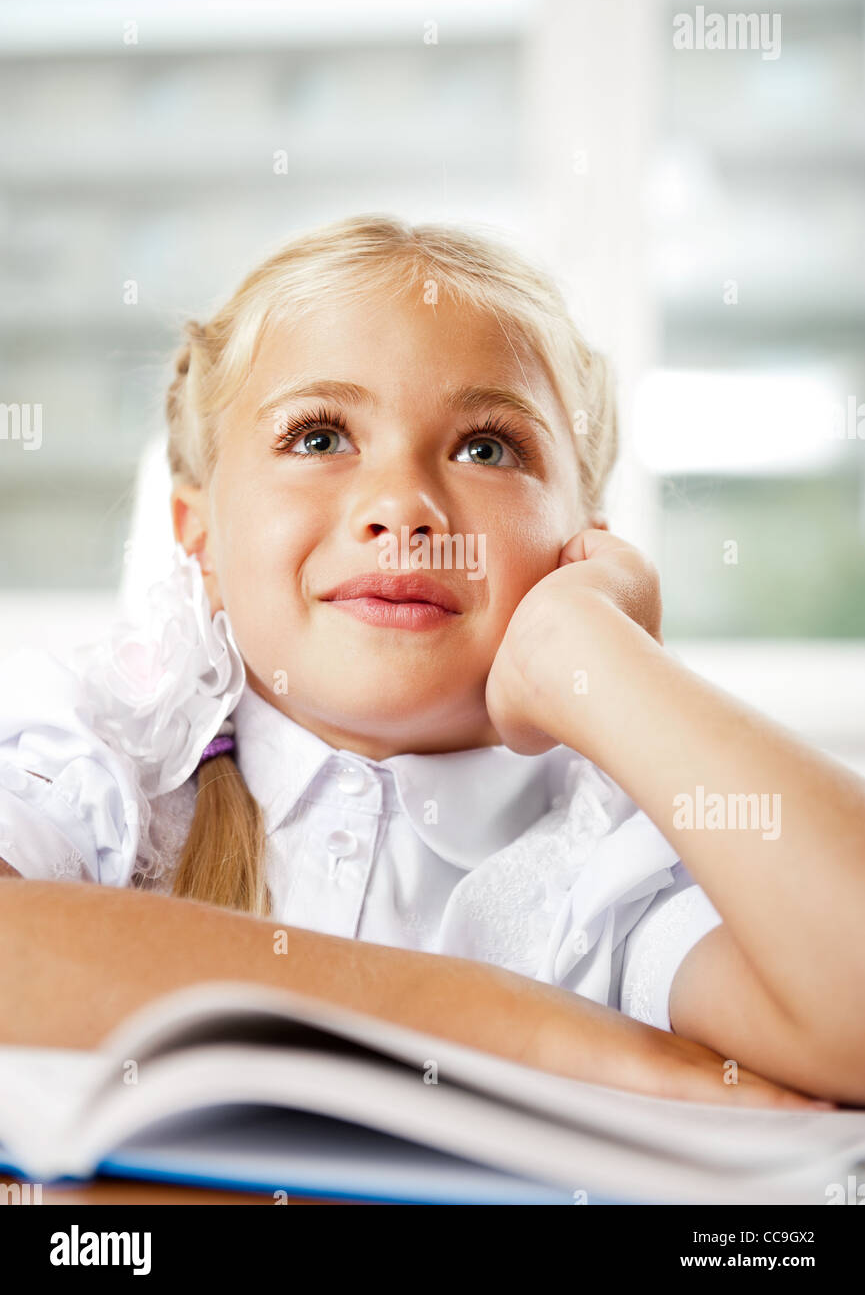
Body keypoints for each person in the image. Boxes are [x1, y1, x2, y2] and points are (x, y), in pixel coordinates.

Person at [0, 215, 862, 1112]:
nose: (402, 507)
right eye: (320, 436)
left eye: (486, 448)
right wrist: (510, 1026)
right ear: (198, 535)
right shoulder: (100, 767)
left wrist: (595, 657)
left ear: (583, 551)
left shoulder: (605, 869)